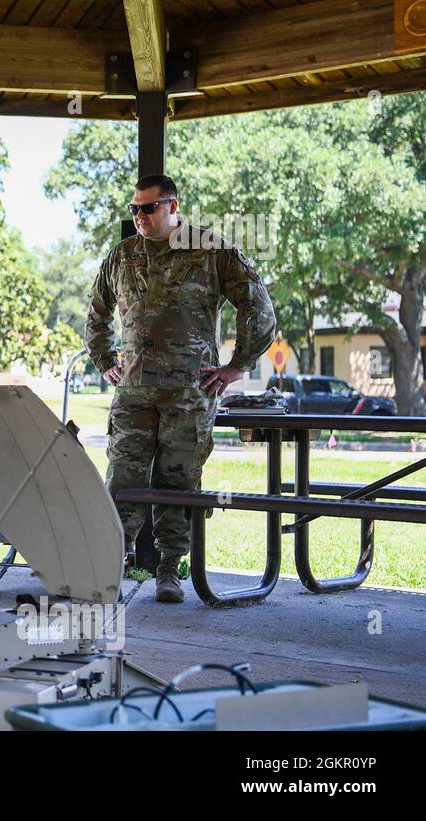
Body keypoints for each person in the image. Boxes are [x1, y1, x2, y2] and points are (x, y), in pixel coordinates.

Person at [85, 174, 276, 603]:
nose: (139, 216)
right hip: (133, 393)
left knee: (178, 481)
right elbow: (96, 314)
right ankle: (114, 562)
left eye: (148, 208)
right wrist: (104, 360)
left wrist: (236, 366)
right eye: (134, 209)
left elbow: (258, 305)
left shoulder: (211, 250)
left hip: (189, 394)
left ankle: (169, 568)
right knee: (123, 479)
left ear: (173, 207)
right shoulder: (123, 255)